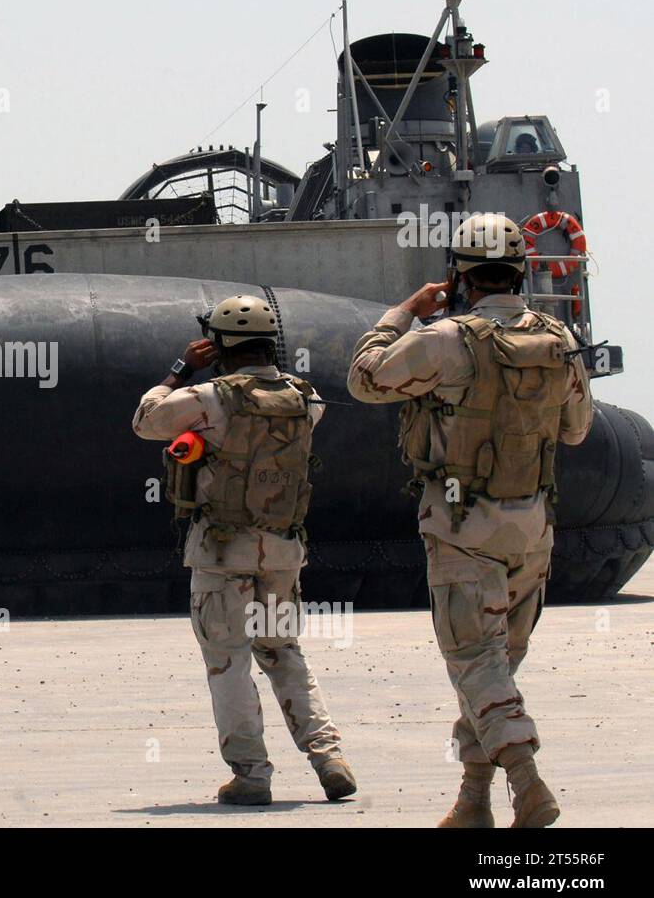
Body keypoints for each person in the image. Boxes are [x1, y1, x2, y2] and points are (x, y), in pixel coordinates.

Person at [347, 213, 593, 828]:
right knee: (492, 666)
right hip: (532, 525)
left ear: (460, 277)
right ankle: (473, 799)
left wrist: (403, 312)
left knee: (474, 661)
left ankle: (527, 781)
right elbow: (576, 430)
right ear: (520, 272)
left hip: (462, 524)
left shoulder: (444, 340)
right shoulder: (558, 339)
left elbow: (364, 379)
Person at [133, 294, 355, 807]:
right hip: (282, 548)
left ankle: (252, 775)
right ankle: (328, 757)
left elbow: (145, 420)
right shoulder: (307, 398)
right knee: (283, 652)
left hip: (221, 551)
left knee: (229, 662)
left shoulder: (207, 397)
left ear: (218, 345)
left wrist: (180, 369)